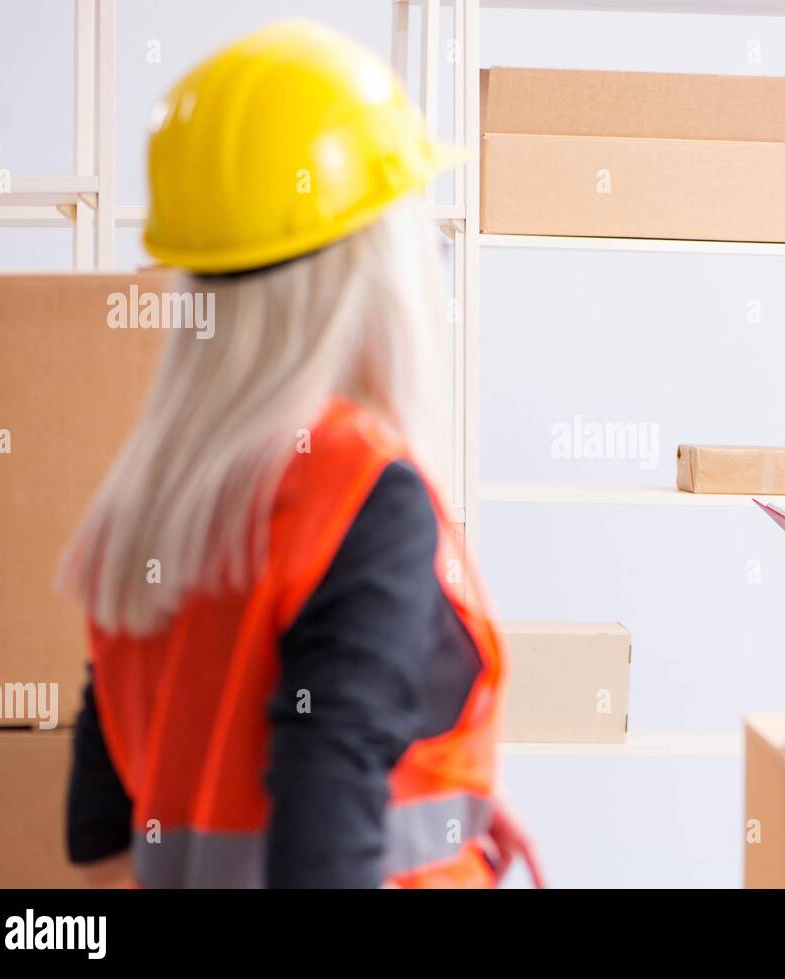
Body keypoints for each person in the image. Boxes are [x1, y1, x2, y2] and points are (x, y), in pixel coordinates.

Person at [59, 19, 544, 888]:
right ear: (372, 264)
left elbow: (105, 845)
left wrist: (428, 795)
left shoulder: (153, 503)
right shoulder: (359, 493)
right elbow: (318, 846)